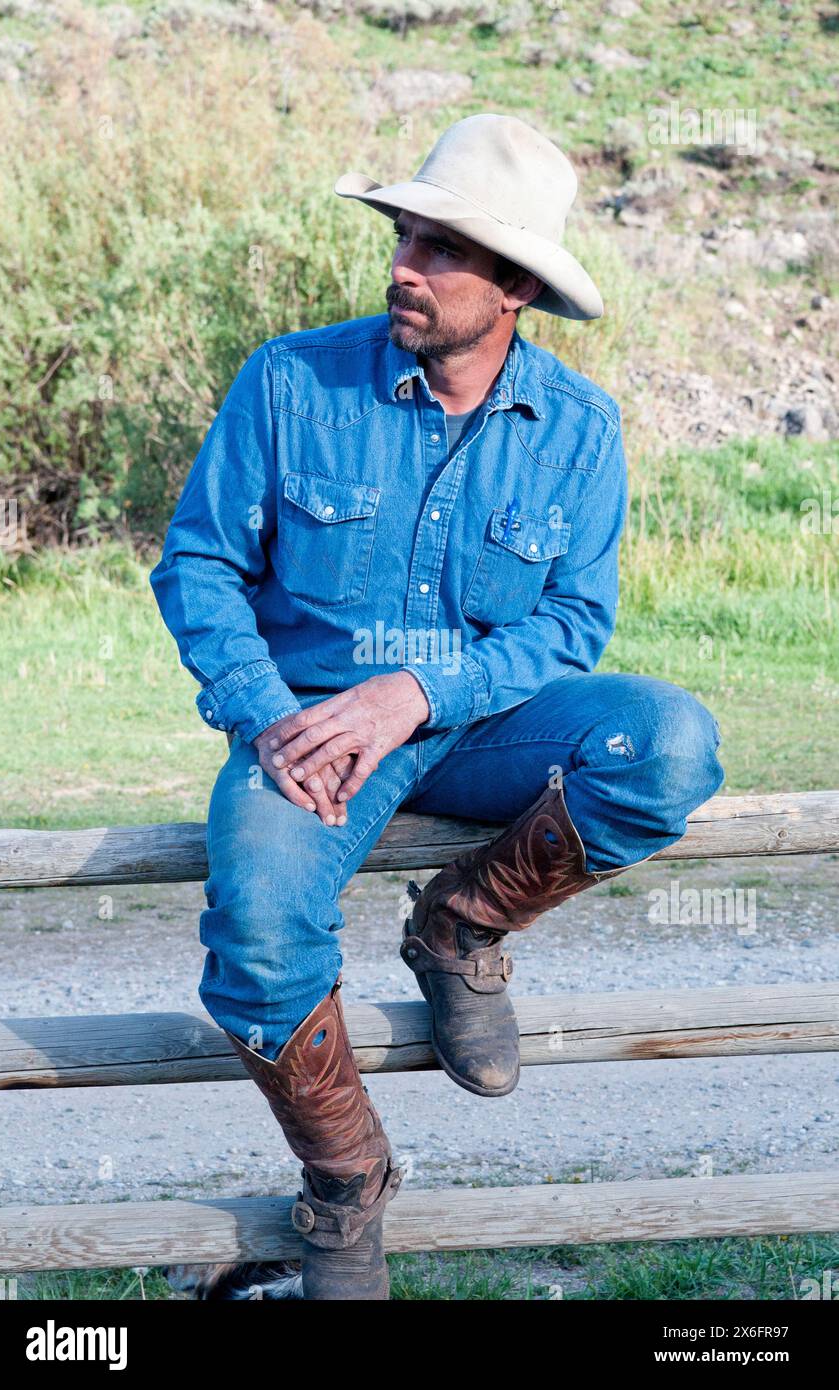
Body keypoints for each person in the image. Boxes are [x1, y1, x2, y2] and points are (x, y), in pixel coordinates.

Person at [150, 112, 725, 1300]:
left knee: (666, 743)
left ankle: (459, 927)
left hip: (477, 728)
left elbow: (569, 622)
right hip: (311, 735)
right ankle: (346, 1186)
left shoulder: (577, 429)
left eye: (439, 248)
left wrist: (414, 689)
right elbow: (198, 564)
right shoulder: (291, 380)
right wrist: (266, 711)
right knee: (257, 932)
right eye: (403, 234)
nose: (402, 264)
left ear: (512, 285)